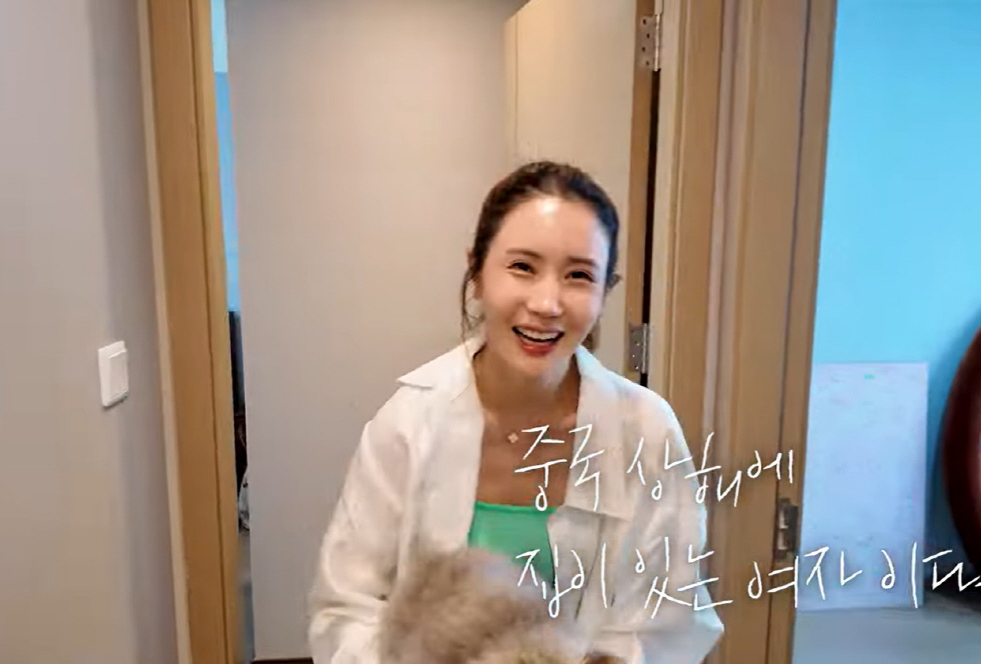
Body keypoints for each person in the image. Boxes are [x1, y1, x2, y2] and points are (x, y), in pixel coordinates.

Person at [308, 161, 724, 664]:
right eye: (523, 267)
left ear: (604, 293)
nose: (547, 303)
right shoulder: (408, 424)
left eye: (579, 276)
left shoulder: (647, 432)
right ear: (478, 273)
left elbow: (670, 622)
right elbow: (346, 609)